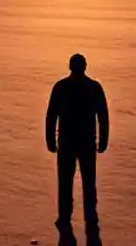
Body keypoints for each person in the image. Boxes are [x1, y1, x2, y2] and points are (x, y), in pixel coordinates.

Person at [45, 53, 108, 229]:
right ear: (85, 66)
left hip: (68, 142)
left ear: (70, 66)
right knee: (88, 181)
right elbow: (103, 116)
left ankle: (65, 216)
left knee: (65, 181)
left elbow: (51, 116)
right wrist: (103, 140)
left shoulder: (61, 87)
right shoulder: (93, 87)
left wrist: (50, 139)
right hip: (85, 142)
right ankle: (90, 215)